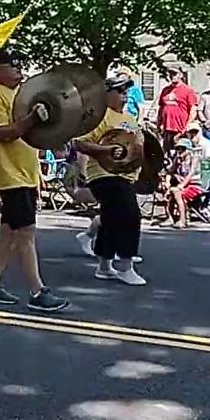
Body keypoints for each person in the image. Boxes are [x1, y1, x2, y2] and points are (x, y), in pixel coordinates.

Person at [0, 48, 69, 313]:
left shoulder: (20, 96)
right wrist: (32, 118)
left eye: (19, 65)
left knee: (9, 232)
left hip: (24, 172)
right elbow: (4, 133)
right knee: (26, 233)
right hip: (9, 173)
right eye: (12, 65)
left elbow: (33, 133)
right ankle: (38, 290)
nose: (18, 69)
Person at [73, 76, 146, 285]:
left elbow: (138, 148)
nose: (124, 96)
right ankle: (125, 264)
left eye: (125, 92)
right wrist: (106, 150)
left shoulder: (130, 120)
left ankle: (104, 266)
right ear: (107, 94)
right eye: (120, 91)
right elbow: (80, 144)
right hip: (104, 174)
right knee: (131, 214)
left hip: (125, 175)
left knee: (110, 218)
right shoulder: (98, 117)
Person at [157, 64, 198, 155]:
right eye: (170, 73)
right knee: (167, 155)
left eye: (175, 73)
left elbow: (193, 111)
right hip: (167, 129)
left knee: (181, 155)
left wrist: (186, 127)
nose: (172, 76)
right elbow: (161, 108)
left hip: (180, 129)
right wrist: (159, 124)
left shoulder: (188, 90)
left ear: (181, 75)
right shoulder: (165, 90)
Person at [165, 139, 202, 229]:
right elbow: (170, 172)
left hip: (195, 184)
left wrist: (182, 185)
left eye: (182, 148)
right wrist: (167, 182)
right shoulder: (178, 159)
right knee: (171, 191)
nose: (179, 151)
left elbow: (191, 173)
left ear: (188, 149)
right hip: (182, 184)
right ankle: (170, 218)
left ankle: (183, 220)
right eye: (178, 148)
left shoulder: (194, 158)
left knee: (176, 192)